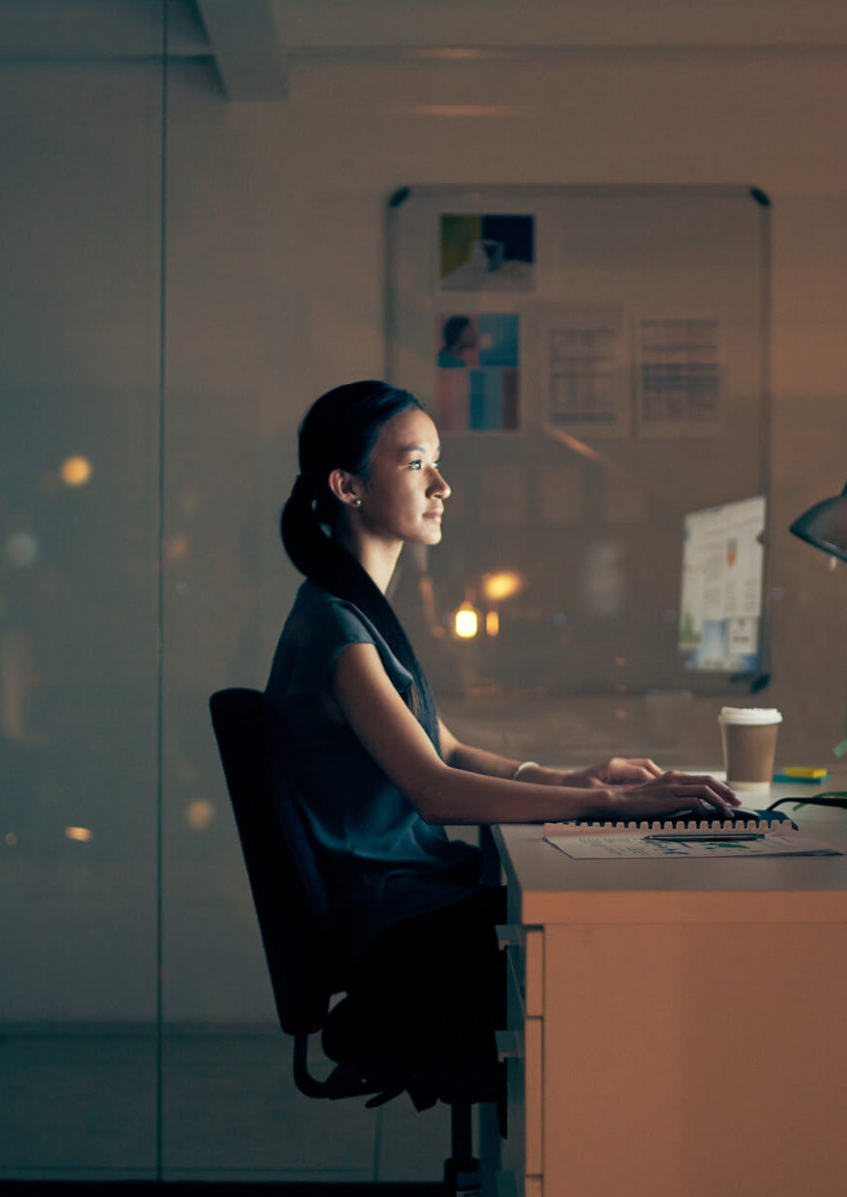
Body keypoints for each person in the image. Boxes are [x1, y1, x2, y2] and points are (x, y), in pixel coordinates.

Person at [266, 380, 736, 1026]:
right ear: (348, 487)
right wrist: (611, 803)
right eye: (415, 464)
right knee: (626, 928)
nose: (442, 485)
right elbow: (435, 789)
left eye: (436, 462)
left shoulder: (354, 613)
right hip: (393, 925)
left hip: (414, 900)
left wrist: (572, 779)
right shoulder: (335, 628)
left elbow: (447, 748)